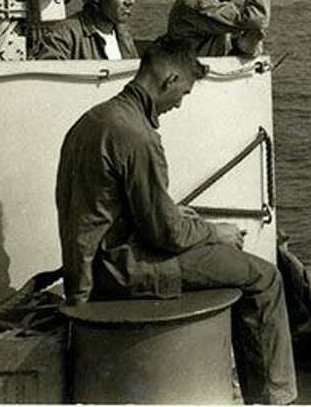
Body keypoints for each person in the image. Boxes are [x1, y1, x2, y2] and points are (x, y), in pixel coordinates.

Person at [55, 34, 297, 404]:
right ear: (168, 81)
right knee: (265, 279)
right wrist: (214, 233)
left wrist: (181, 217)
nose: (178, 105)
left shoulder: (95, 120)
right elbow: (164, 233)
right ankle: (274, 400)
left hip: (88, 267)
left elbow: (109, 207)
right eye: (182, 93)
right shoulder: (138, 136)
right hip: (119, 270)